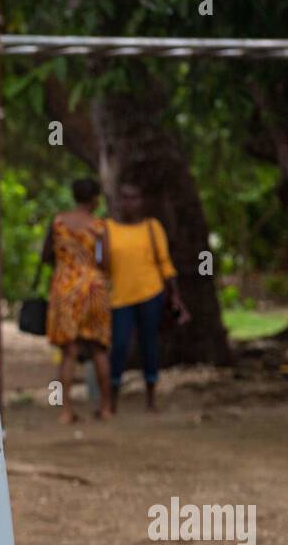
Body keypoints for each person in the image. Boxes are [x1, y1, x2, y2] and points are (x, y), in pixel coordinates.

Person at [105, 182, 190, 412]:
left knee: (149, 344)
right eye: (124, 198)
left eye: (133, 198)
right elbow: (100, 262)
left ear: (141, 201)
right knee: (119, 345)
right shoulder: (107, 229)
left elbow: (165, 264)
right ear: (118, 201)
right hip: (120, 298)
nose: (129, 203)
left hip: (150, 294)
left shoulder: (152, 228)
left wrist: (176, 297)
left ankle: (151, 399)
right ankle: (112, 399)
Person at [44, 177, 112, 423]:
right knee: (98, 349)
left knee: (69, 352)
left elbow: (46, 255)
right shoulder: (99, 226)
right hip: (93, 287)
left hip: (64, 287)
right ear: (94, 199)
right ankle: (105, 408)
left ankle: (65, 411)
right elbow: (104, 260)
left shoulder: (58, 222)